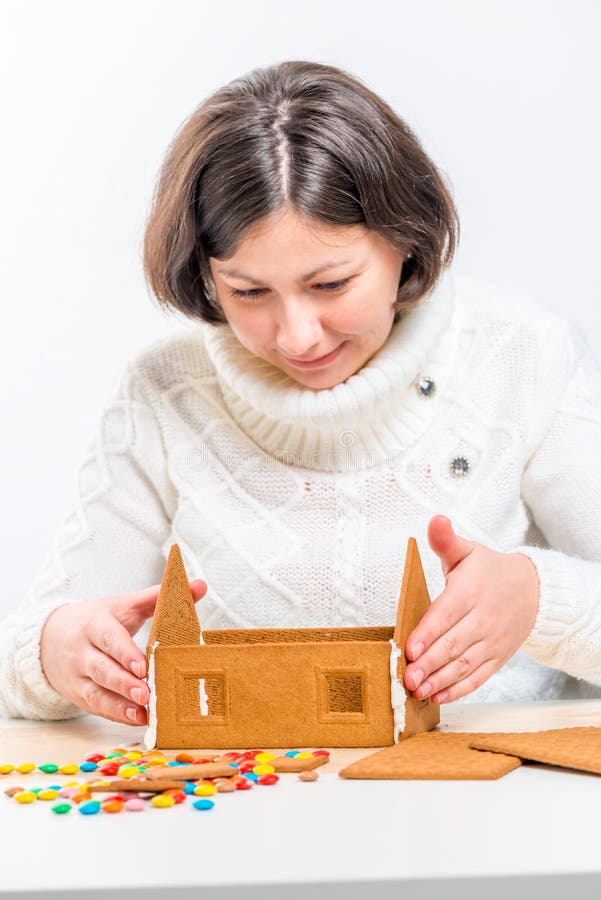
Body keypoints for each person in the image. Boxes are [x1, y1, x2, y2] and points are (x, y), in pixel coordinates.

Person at [2, 59, 601, 729]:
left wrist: (537, 597)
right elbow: (27, 659)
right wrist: (53, 653)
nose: (297, 336)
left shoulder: (523, 356)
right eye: (248, 292)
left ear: (404, 242)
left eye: (330, 284)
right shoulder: (165, 392)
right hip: (241, 812)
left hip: (493, 803)